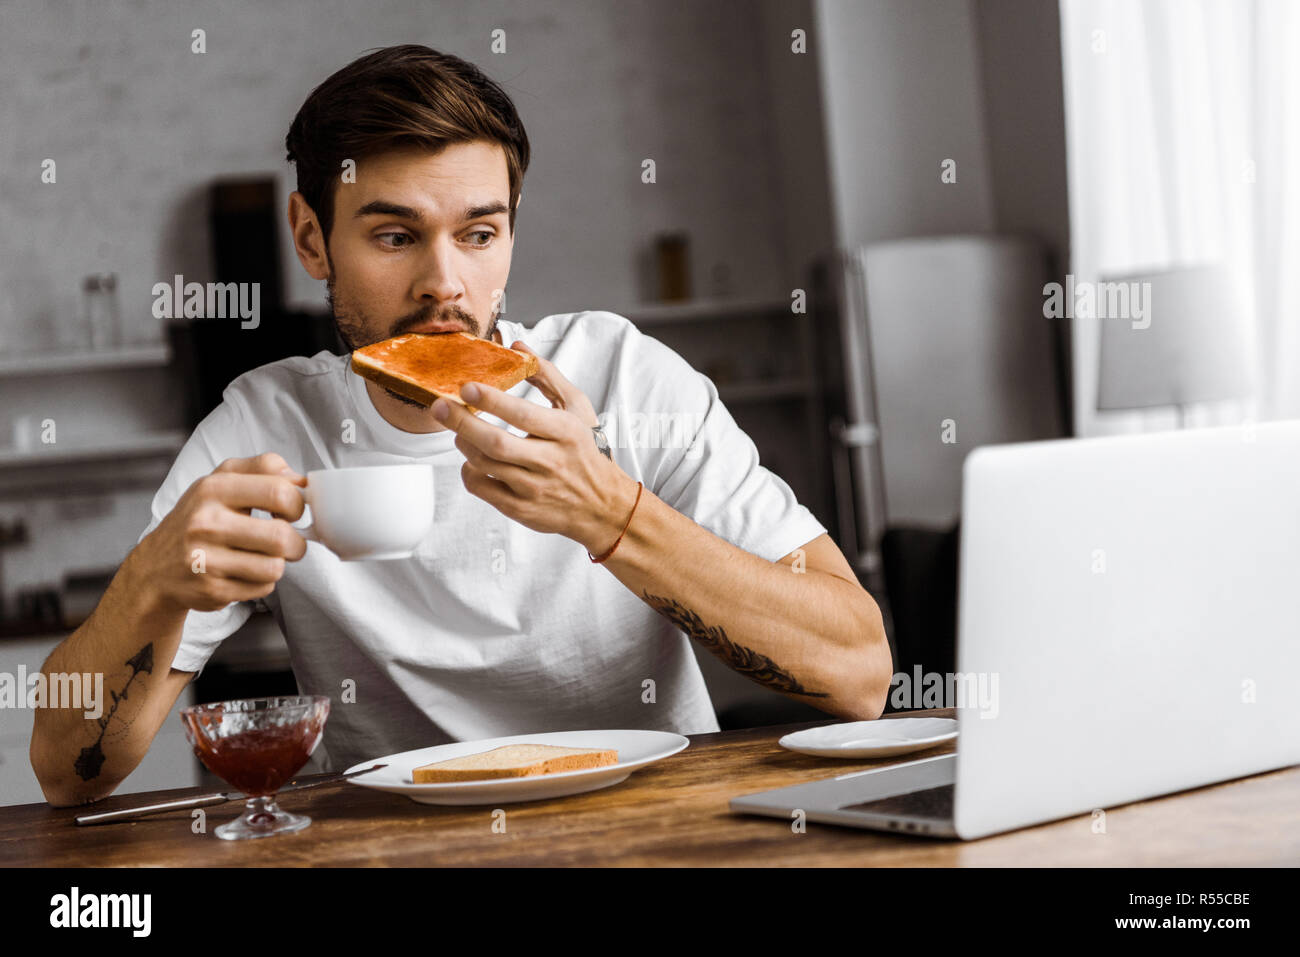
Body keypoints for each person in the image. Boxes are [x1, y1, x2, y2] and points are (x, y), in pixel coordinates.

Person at [32, 45, 889, 806]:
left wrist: (612, 514)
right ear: (311, 240)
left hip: (655, 822)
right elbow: (66, 775)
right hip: (388, 846)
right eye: (397, 236)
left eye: (479, 233)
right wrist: (153, 579)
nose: (446, 283)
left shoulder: (624, 375)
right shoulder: (264, 422)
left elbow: (859, 676)